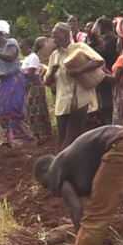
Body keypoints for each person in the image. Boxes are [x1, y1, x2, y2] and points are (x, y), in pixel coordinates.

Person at [45, 22, 100, 150]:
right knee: (64, 138)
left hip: (82, 101)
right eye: (53, 37)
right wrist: (53, 71)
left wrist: (79, 70)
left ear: (66, 36)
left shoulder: (79, 47)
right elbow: (47, 82)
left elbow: (98, 60)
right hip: (62, 104)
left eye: (57, 37)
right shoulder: (54, 56)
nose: (54, 40)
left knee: (82, 138)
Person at [0, 20, 33, 144]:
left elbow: (10, 57)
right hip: (3, 81)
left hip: (14, 79)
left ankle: (23, 136)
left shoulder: (11, 43)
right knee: (0, 110)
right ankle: (8, 137)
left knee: (14, 108)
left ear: (0, 33)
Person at [23, 37, 53, 139]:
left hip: (35, 87)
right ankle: (37, 134)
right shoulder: (27, 58)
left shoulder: (33, 57)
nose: (22, 50)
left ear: (29, 47)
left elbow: (30, 73)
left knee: (36, 110)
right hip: (29, 87)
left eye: (23, 48)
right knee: (31, 110)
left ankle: (42, 134)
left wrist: (19, 72)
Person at [95, 18, 119, 126]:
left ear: (105, 28)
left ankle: (110, 123)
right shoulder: (106, 39)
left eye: (100, 27)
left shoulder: (113, 40)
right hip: (105, 72)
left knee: (109, 100)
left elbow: (103, 54)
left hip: (110, 71)